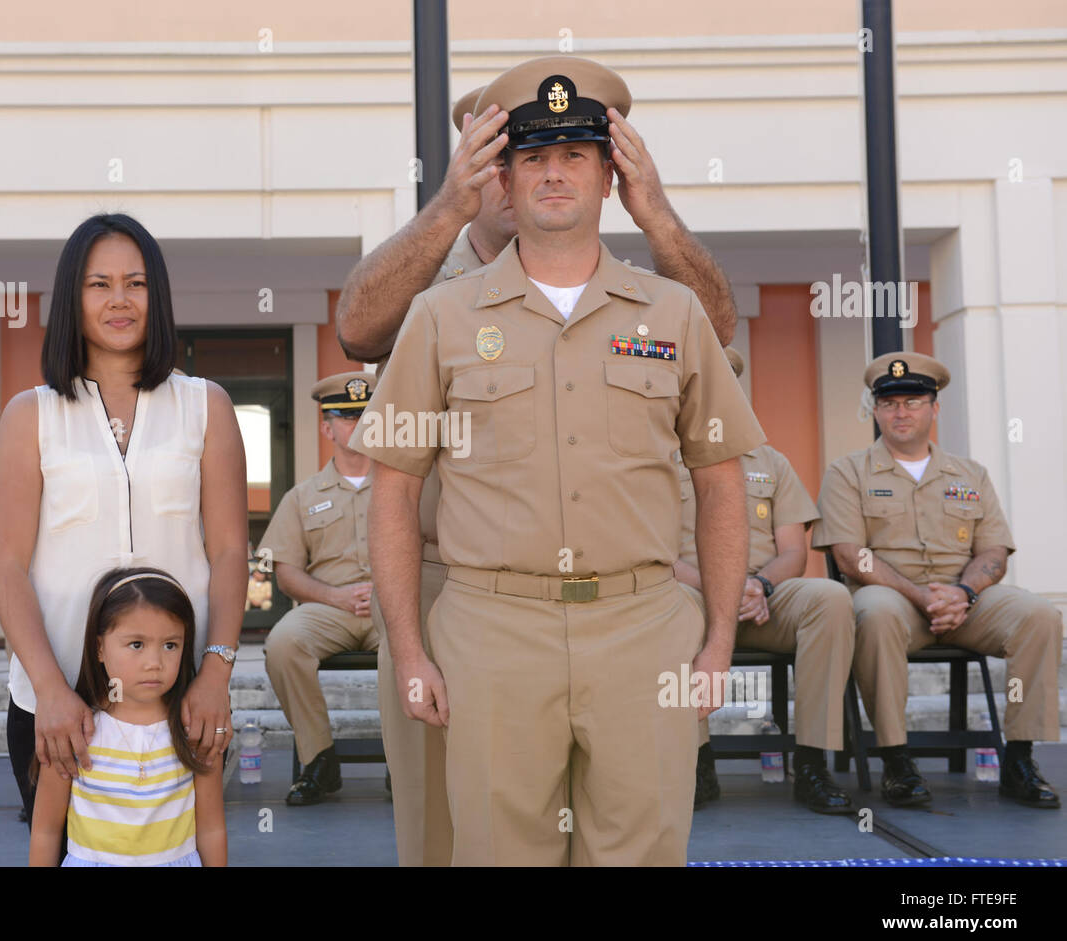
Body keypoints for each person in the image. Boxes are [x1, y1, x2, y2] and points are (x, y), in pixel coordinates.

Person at [353, 56, 765, 865]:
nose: (549, 174)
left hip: (640, 621)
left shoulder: (667, 307)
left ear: (609, 172)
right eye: (528, 154)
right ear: (495, 170)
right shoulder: (439, 305)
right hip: (485, 617)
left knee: (642, 847)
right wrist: (408, 649)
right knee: (481, 846)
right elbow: (390, 473)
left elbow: (721, 476)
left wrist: (718, 639)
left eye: (574, 154)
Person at [0, 213, 249, 840]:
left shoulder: (205, 405)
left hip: (176, 695)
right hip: (59, 702)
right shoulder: (33, 415)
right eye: (98, 284)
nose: (119, 300)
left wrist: (216, 671)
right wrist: (50, 688)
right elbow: (4, 565)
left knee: (176, 849)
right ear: (72, 299)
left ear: (156, 297)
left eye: (135, 283)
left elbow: (231, 549)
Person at [814, 351, 1061, 809]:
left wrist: (964, 593)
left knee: (1040, 616)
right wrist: (919, 594)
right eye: (889, 404)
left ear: (935, 408)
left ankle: (1020, 758)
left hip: (963, 601)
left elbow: (992, 551)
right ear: (875, 410)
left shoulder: (971, 475)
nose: (900, 412)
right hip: (890, 597)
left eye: (913, 401)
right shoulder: (848, 472)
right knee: (875, 613)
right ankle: (897, 761)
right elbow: (850, 555)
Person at [676, 347, 854, 814]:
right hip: (692, 598)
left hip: (764, 600)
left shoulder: (769, 462)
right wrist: (724, 590)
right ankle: (696, 761)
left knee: (830, 599)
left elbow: (794, 552)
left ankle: (814, 762)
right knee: (667, 610)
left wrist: (761, 587)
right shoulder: (658, 461)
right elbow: (653, 554)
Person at [29, 567, 227, 866]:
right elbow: (45, 831)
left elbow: (211, 830)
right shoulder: (75, 732)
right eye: (137, 644)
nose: (154, 663)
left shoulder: (194, 730)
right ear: (99, 648)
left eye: (170, 645)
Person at [258, 372, 380, 805]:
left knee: (430, 639)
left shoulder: (405, 486)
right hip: (331, 607)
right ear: (327, 428)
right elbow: (286, 571)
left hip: (394, 605)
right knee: (283, 643)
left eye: (365, 415)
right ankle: (320, 760)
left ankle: (408, 762)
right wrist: (336, 597)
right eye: (347, 418)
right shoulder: (301, 496)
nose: (358, 424)